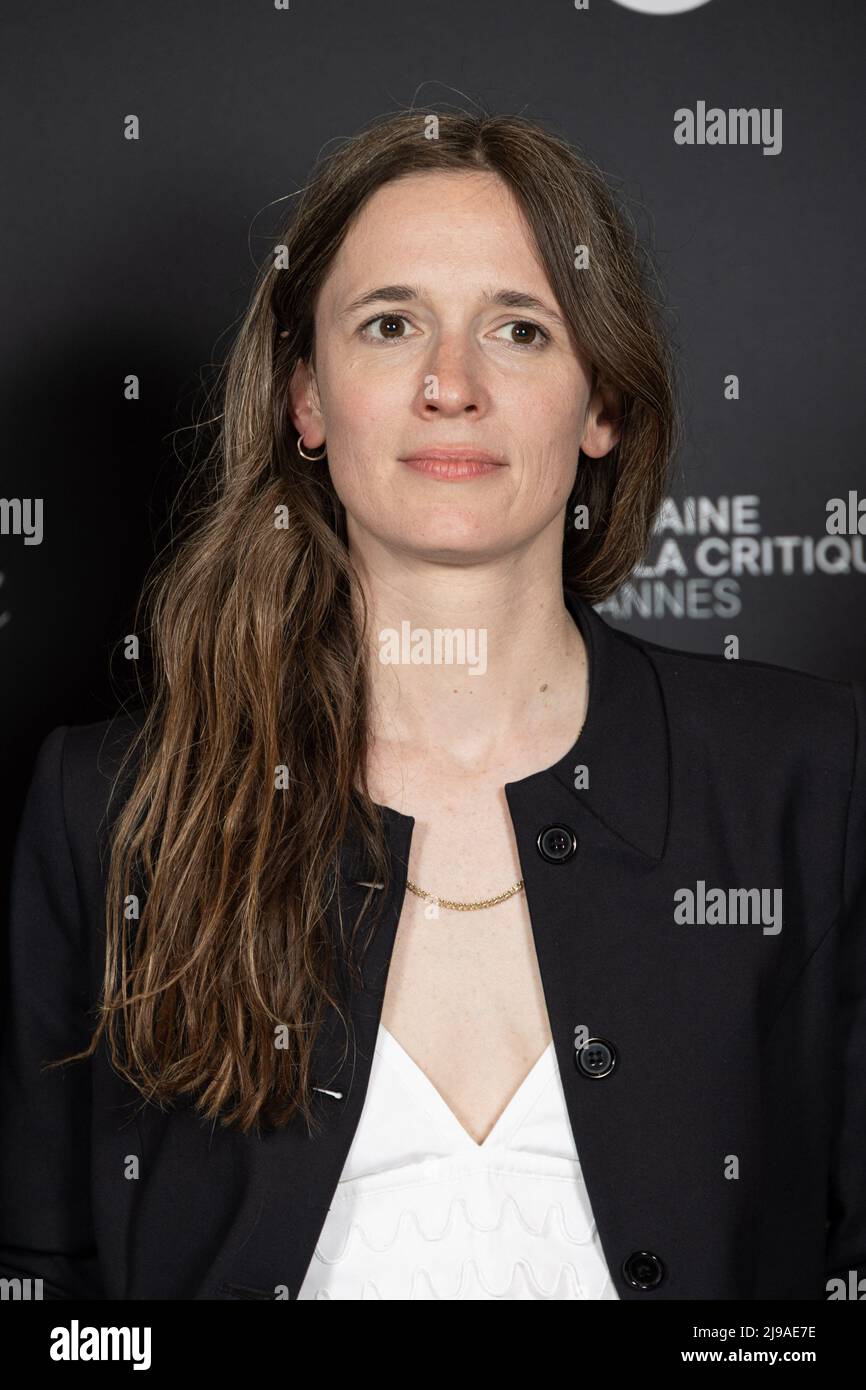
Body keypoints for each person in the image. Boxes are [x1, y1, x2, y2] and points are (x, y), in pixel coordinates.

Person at [1, 109, 864, 1302]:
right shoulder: (109, 813)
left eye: (517, 328)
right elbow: (43, 1285)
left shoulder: (810, 779)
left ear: (600, 404)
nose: (449, 384)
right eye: (390, 323)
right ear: (306, 399)